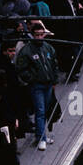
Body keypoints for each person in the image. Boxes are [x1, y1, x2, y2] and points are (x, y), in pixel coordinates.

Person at [15, 21, 61, 151]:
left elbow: (54, 65)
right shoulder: (26, 51)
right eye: (37, 35)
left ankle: (41, 135)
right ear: (32, 35)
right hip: (37, 86)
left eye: (42, 35)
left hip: (48, 84)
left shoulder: (48, 48)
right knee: (40, 111)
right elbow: (21, 69)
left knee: (45, 110)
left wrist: (54, 80)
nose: (39, 37)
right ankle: (41, 138)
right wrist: (32, 79)